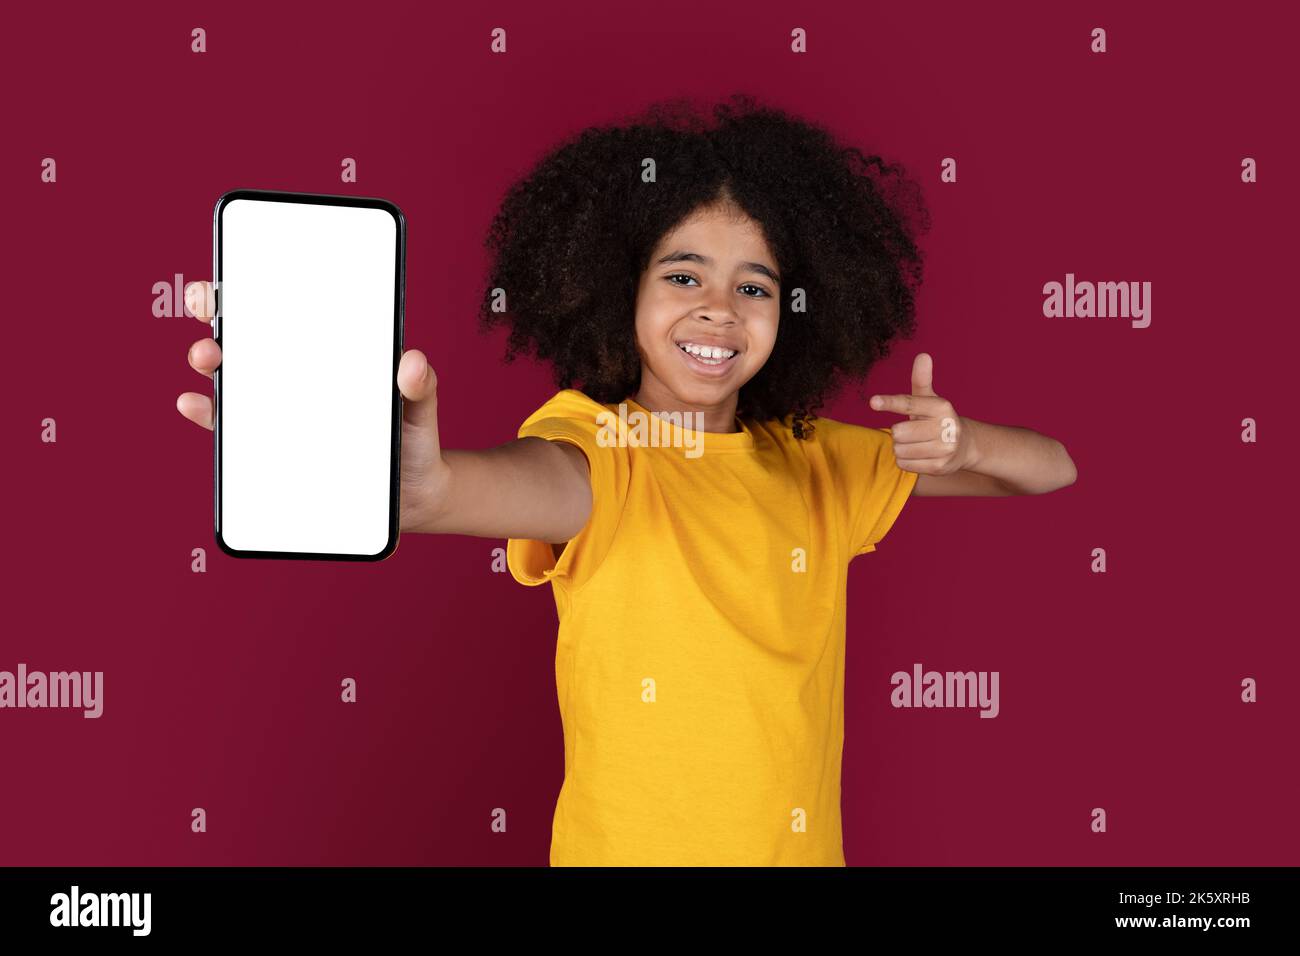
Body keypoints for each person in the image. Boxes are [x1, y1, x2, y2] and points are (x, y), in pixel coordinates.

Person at [177, 93, 1077, 866]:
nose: (718, 308)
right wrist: (428, 489)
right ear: (620, 291)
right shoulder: (596, 443)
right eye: (683, 274)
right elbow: (526, 488)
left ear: (795, 313)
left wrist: (965, 444)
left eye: (754, 287)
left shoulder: (818, 460)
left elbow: (1051, 470)